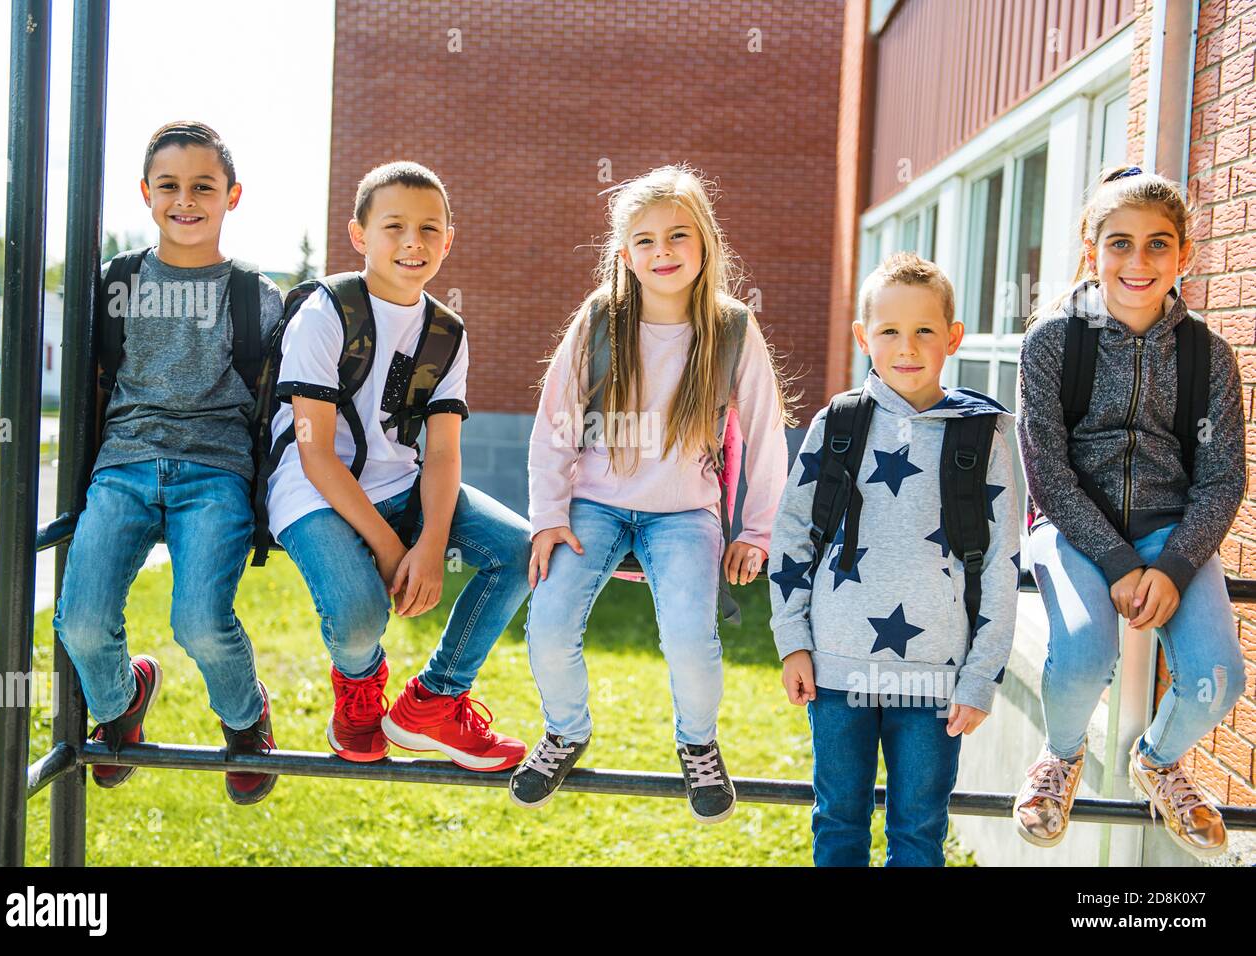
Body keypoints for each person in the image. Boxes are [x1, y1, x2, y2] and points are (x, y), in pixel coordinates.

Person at [509, 165, 792, 823]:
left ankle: (697, 743)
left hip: (684, 513)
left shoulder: (732, 328)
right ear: (624, 252)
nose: (662, 252)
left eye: (677, 235)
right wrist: (549, 515)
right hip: (594, 504)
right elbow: (555, 422)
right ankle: (565, 731)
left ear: (706, 241)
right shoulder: (601, 320)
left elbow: (766, 432)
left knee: (691, 635)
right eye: (644, 240)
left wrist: (757, 531)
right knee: (548, 623)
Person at [1012, 166, 1246, 858]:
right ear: (1092, 250)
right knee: (1085, 653)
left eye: (1157, 245)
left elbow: (1223, 475)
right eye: (1119, 244)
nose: (1137, 262)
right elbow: (1045, 468)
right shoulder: (1053, 341)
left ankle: (1160, 759)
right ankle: (1059, 757)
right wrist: (1114, 560)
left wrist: (1173, 566)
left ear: (1184, 256)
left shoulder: (1210, 355)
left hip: (1174, 530)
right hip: (1070, 527)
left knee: (1219, 678)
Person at [268, 161, 530, 770]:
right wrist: (392, 549)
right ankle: (358, 694)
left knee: (519, 549)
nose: (413, 242)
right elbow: (313, 452)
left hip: (403, 483)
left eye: (429, 228)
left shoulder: (448, 332)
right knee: (361, 615)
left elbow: (441, 451)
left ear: (448, 238)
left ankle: (434, 702)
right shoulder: (325, 313)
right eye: (394, 226)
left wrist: (432, 543)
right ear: (359, 235)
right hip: (313, 490)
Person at [54, 121, 283, 804]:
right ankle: (124, 699)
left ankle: (247, 722)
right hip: (124, 466)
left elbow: (282, 398)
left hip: (213, 473)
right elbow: (92, 378)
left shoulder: (255, 294)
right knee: (82, 622)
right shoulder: (115, 283)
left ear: (232, 196)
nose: (186, 199)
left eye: (203, 186)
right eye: (170, 186)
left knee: (200, 623)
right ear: (146, 194)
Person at [770, 251, 1020, 866]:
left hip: (937, 680)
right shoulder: (839, 423)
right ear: (864, 338)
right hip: (836, 672)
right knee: (838, 824)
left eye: (924, 331)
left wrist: (980, 675)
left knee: (918, 834)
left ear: (954, 338)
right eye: (889, 331)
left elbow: (1002, 563)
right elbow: (793, 533)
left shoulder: (982, 434)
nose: (906, 347)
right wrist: (791, 638)